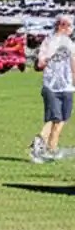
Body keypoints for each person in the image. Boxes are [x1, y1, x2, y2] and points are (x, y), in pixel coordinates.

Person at [31, 15, 75, 162]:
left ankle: (52, 148)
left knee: (62, 118)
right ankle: (39, 142)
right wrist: (46, 60)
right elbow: (40, 64)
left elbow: (74, 63)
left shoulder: (69, 43)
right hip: (51, 85)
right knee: (54, 117)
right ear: (62, 26)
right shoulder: (49, 42)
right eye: (70, 26)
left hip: (67, 86)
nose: (71, 29)